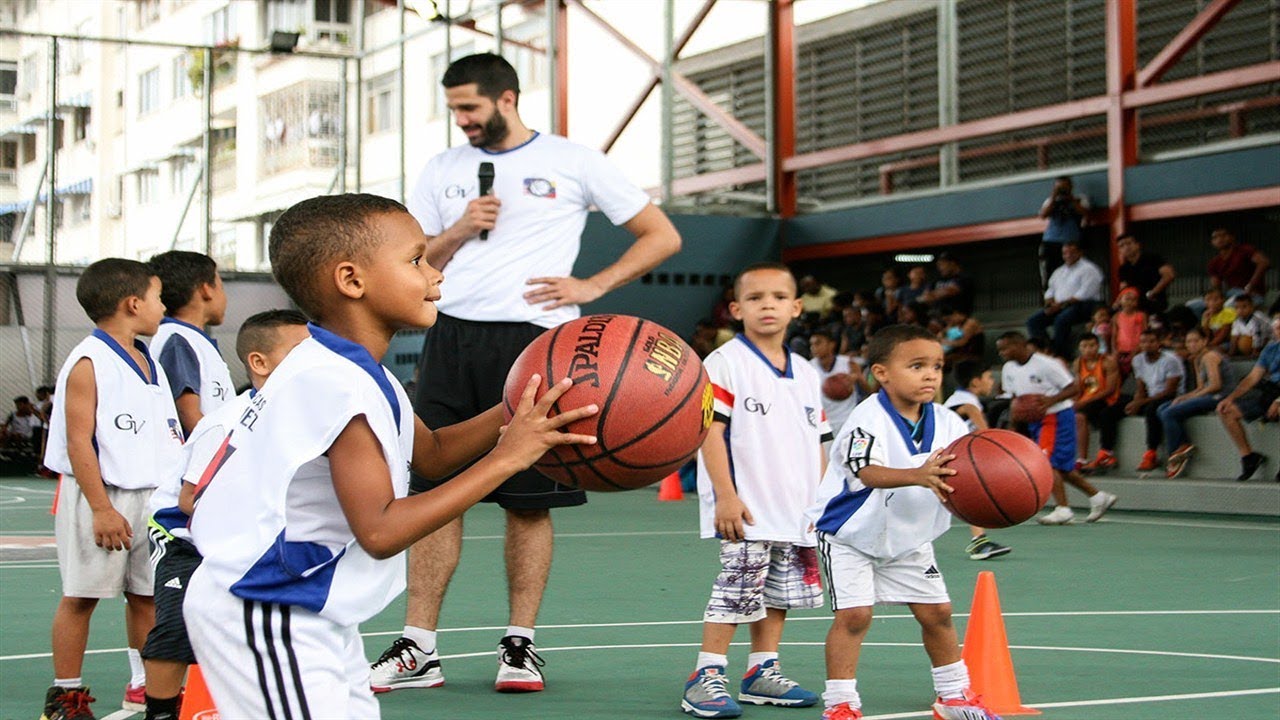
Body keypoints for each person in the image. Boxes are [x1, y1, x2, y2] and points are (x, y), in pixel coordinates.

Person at [183, 193, 599, 719]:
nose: (435, 275)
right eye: (416, 260)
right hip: (268, 608)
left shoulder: (352, 369)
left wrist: (519, 409)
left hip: (304, 609)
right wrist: (508, 459)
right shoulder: (334, 382)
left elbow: (433, 454)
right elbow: (380, 533)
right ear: (352, 280)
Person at [371, 53, 681, 693]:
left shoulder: (573, 160)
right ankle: (418, 647)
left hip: (539, 344)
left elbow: (660, 235)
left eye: (470, 108)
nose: (461, 120)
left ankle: (520, 646)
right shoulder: (443, 169)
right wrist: (459, 230)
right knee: (432, 490)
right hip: (450, 335)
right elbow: (413, 257)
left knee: (530, 502)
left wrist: (593, 283)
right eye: (454, 108)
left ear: (506, 98)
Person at [806, 324, 1000, 720]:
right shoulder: (867, 419)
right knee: (855, 617)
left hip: (910, 539)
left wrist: (991, 496)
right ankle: (841, 704)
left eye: (937, 366)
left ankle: (953, 696)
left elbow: (966, 477)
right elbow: (867, 473)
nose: (930, 374)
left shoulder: (948, 422)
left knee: (939, 613)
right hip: (849, 535)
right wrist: (919, 474)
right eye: (916, 366)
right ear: (882, 373)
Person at [140, 310, 311, 720]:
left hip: (247, 541)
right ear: (259, 363)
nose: (312, 362)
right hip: (186, 540)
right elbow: (190, 499)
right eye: (300, 353)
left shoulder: (305, 419)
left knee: (271, 629)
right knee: (179, 626)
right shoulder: (229, 422)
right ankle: (160, 712)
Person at [39, 259, 185, 720]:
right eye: (159, 298)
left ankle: (147, 686)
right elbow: (78, 441)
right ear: (133, 303)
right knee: (81, 596)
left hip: (150, 499)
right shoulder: (88, 361)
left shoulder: (149, 358)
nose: (164, 307)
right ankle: (65, 696)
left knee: (146, 596)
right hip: (101, 495)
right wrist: (101, 509)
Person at [681, 263, 829, 718]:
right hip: (744, 507)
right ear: (736, 309)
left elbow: (820, 441)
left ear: (796, 307)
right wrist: (725, 494)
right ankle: (705, 676)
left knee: (777, 594)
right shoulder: (725, 364)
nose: (768, 305)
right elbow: (710, 434)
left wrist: (821, 502)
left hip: (797, 508)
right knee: (737, 589)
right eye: (756, 297)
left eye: (779, 297)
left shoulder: (806, 371)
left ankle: (761, 671)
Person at [996, 331, 1117, 525]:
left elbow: (1074, 388)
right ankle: (1098, 497)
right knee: (1061, 467)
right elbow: (1015, 399)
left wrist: (1051, 399)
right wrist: (1013, 423)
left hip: (1057, 416)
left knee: (1046, 463)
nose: (1002, 353)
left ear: (1021, 345)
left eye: (1005, 348)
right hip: (1035, 420)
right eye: (999, 350)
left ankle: (1063, 509)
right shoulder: (1008, 368)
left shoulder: (1046, 364)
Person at [146, 251, 233, 438]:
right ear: (206, 290)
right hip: (204, 460)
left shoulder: (189, 338)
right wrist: (225, 451)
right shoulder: (179, 340)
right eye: (221, 287)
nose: (224, 296)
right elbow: (189, 414)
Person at [943, 359, 1013, 561]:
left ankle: (980, 541)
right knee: (971, 493)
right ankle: (979, 542)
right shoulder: (967, 401)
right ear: (975, 382)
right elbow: (966, 409)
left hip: (948, 457)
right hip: (943, 457)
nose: (992, 381)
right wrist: (989, 438)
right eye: (989, 377)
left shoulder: (962, 398)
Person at [1216, 300, 1280, 482]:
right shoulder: (1270, 349)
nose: (1278, 331)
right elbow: (1253, 377)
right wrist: (1231, 397)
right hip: (1271, 390)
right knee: (1226, 410)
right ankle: (1249, 457)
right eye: (1277, 328)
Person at [1159, 326, 1234, 479]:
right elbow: (1201, 387)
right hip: (1208, 394)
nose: (1191, 345)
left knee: (1169, 413)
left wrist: (1191, 398)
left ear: (1204, 341)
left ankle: (1175, 453)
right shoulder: (1197, 359)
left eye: (1195, 341)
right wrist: (1185, 397)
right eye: (1188, 342)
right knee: (1162, 408)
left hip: (1221, 396)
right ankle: (1184, 445)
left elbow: (1215, 385)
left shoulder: (1210, 356)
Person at [1027, 241, 1103, 359]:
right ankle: (1047, 349)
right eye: (1065, 253)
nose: (1068, 256)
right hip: (1059, 306)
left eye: (1071, 252)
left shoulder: (1089, 269)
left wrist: (1060, 306)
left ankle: (1060, 354)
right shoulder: (1059, 271)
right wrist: (1049, 305)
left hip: (1083, 305)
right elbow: (1050, 291)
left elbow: (1084, 294)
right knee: (1033, 321)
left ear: (1080, 252)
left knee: (1061, 320)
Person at [1126, 329, 1187, 472]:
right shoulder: (1138, 360)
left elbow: (1170, 390)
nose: (1147, 345)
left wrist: (1141, 402)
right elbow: (1141, 388)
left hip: (1172, 397)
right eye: (1143, 342)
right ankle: (1106, 453)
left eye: (1151, 341)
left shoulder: (1171, 360)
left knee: (1152, 409)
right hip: (1150, 396)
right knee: (1112, 409)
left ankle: (1151, 453)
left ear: (1159, 343)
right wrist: (1136, 402)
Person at [1073, 334, 1125, 474]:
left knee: (1083, 415)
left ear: (1098, 346)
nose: (1088, 349)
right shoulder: (1078, 363)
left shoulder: (1108, 361)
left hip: (1106, 399)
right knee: (1073, 415)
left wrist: (1083, 402)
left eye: (1092, 345)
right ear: (1079, 348)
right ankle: (1082, 459)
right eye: (1084, 346)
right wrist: (1074, 401)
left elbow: (1109, 389)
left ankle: (1105, 453)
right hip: (1087, 399)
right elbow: (1079, 387)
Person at [810, 328, 863, 435]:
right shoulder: (808, 367)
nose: (814, 347)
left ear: (831, 345)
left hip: (848, 420)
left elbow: (870, 390)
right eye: (812, 344)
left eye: (818, 343)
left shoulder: (848, 363)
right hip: (823, 423)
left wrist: (856, 377)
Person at [1037, 175, 1088, 286]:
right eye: (1059, 188)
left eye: (1064, 187)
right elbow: (1043, 215)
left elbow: (1085, 212)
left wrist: (1070, 198)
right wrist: (1054, 196)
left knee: (1073, 270)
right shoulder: (1050, 200)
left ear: (1071, 187)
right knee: (1050, 271)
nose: (1062, 190)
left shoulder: (1080, 199)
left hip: (1071, 241)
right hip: (1051, 241)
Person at [1115, 234, 1176, 315]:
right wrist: (1117, 302)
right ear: (1119, 251)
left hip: (1153, 301)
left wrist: (1152, 293)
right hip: (1133, 304)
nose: (1126, 247)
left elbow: (1169, 275)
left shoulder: (1153, 258)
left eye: (1129, 243)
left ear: (1138, 245)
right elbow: (1124, 288)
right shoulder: (1123, 269)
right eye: (1121, 246)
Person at [920, 253, 974, 318]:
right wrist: (932, 295)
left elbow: (950, 291)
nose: (939, 268)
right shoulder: (936, 280)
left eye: (942, 264)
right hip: (936, 317)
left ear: (952, 264)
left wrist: (933, 295)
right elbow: (924, 298)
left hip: (957, 318)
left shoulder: (964, 279)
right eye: (938, 265)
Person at [1112, 287, 1147, 376]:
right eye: (1127, 299)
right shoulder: (1116, 317)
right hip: (1121, 350)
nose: (1130, 302)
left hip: (1137, 349)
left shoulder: (1141, 315)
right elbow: (1114, 335)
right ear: (1120, 300)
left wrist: (1139, 348)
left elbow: (1145, 332)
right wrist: (1114, 350)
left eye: (1133, 300)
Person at [1229, 294, 1270, 359]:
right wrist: (1230, 354)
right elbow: (1234, 337)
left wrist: (1255, 352)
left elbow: (1259, 336)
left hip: (1267, 340)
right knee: (1242, 340)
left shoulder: (1258, 317)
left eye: (1244, 307)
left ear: (1251, 307)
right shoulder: (1237, 321)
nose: (1240, 310)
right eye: (1237, 308)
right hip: (1252, 342)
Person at [1200, 288, 1236, 352]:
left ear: (1223, 300)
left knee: (1213, 350)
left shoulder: (1228, 312)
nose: (1212, 303)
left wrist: (1208, 345)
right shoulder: (1206, 314)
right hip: (1213, 343)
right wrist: (1206, 323)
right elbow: (1206, 335)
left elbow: (1223, 335)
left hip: (1228, 342)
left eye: (1215, 299)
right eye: (1208, 300)